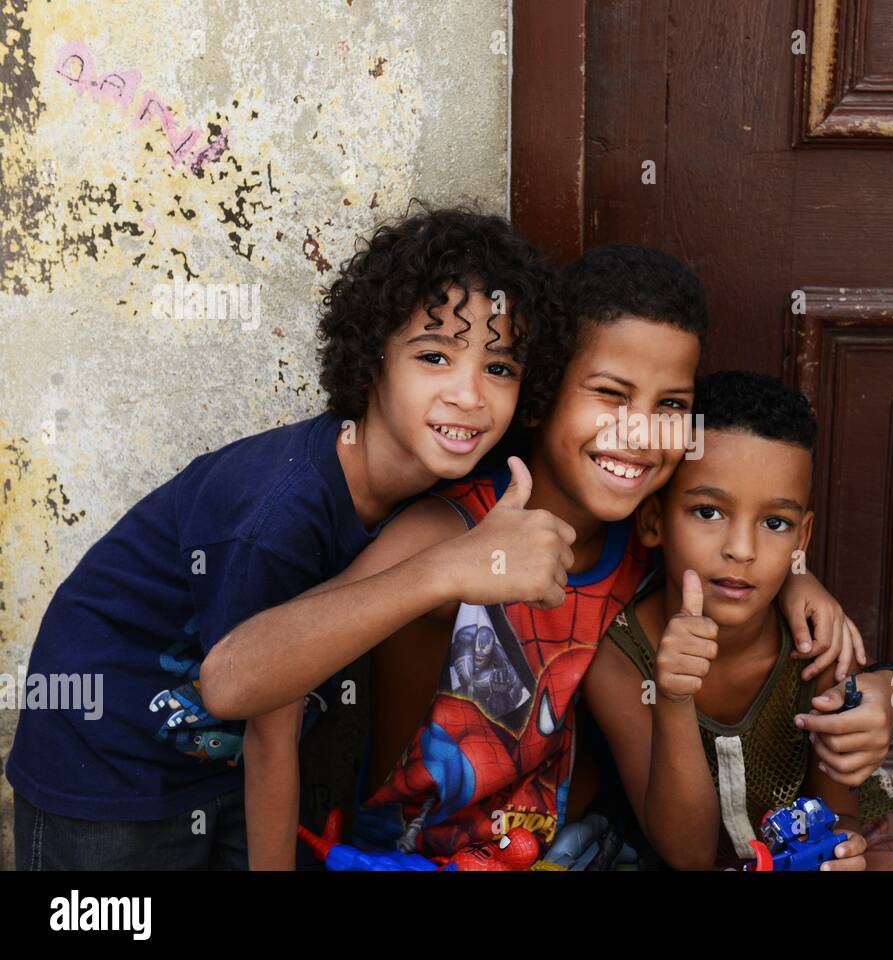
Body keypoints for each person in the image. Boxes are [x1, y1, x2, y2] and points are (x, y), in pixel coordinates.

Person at [205, 244, 882, 865]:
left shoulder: (646, 532)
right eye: (610, 394)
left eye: (669, 404)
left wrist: (798, 578)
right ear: (541, 395)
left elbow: (740, 525)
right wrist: (446, 570)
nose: (639, 433)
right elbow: (237, 681)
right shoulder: (450, 530)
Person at [6, 204, 573, 870]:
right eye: (433, 355)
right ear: (370, 363)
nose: (469, 394)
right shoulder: (282, 513)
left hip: (220, 764)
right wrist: (445, 570)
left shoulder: (439, 480)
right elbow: (246, 700)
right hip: (106, 768)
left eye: (499, 368)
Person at [584, 370, 893, 870]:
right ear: (653, 520)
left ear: (801, 539)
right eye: (707, 512)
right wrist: (675, 696)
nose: (741, 550)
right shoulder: (621, 660)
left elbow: (841, 814)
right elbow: (688, 854)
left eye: (775, 523)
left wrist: (843, 851)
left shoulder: (814, 643)